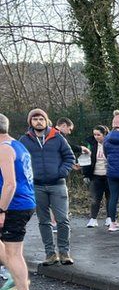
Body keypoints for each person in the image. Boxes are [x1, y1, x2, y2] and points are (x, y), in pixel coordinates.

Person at [20, 108, 74, 265]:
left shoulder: (57, 137)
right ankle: (50, 254)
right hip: (37, 186)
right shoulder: (24, 140)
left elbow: (69, 157)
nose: (38, 121)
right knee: (44, 221)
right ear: (30, 122)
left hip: (57, 185)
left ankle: (64, 252)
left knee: (63, 219)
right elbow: (20, 161)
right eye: (35, 119)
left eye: (41, 119)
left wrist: (61, 172)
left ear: (46, 121)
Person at [0, 113, 37, 290]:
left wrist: (1, 210)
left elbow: (10, 183)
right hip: (22, 203)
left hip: (14, 206)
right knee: (11, 251)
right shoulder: (16, 144)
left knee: (14, 253)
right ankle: (16, 275)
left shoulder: (3, 149)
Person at [83, 125, 111, 227]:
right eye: (94, 134)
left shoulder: (110, 144)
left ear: (105, 134)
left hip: (109, 175)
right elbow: (86, 159)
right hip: (96, 175)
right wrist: (86, 174)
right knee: (95, 198)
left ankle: (110, 218)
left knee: (110, 198)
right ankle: (93, 219)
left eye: (98, 135)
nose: (96, 137)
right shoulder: (91, 145)